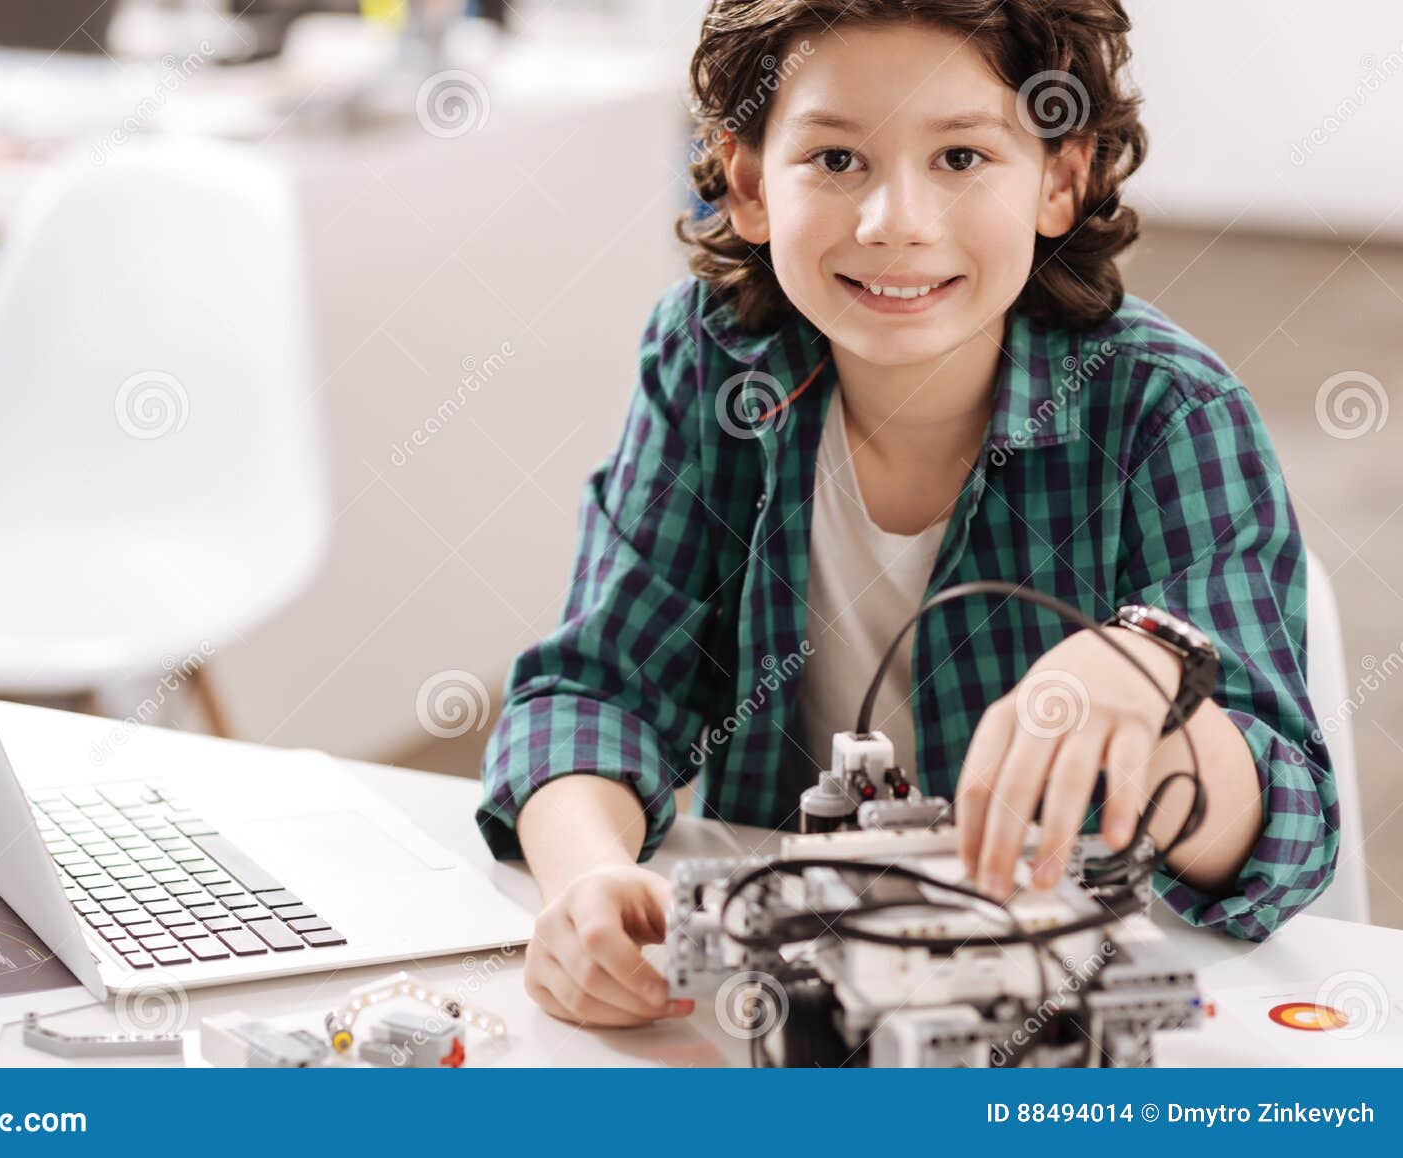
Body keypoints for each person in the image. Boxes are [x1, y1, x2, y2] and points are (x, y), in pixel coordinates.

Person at [477, 0, 1338, 1028]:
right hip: (801, 1015)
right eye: (835, 160)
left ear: (1059, 180)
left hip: (1051, 1018)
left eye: (962, 158)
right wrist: (584, 882)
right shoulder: (712, 362)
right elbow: (594, 689)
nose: (895, 222)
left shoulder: (1164, 412)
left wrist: (1159, 690)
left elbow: (1288, 835)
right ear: (750, 181)